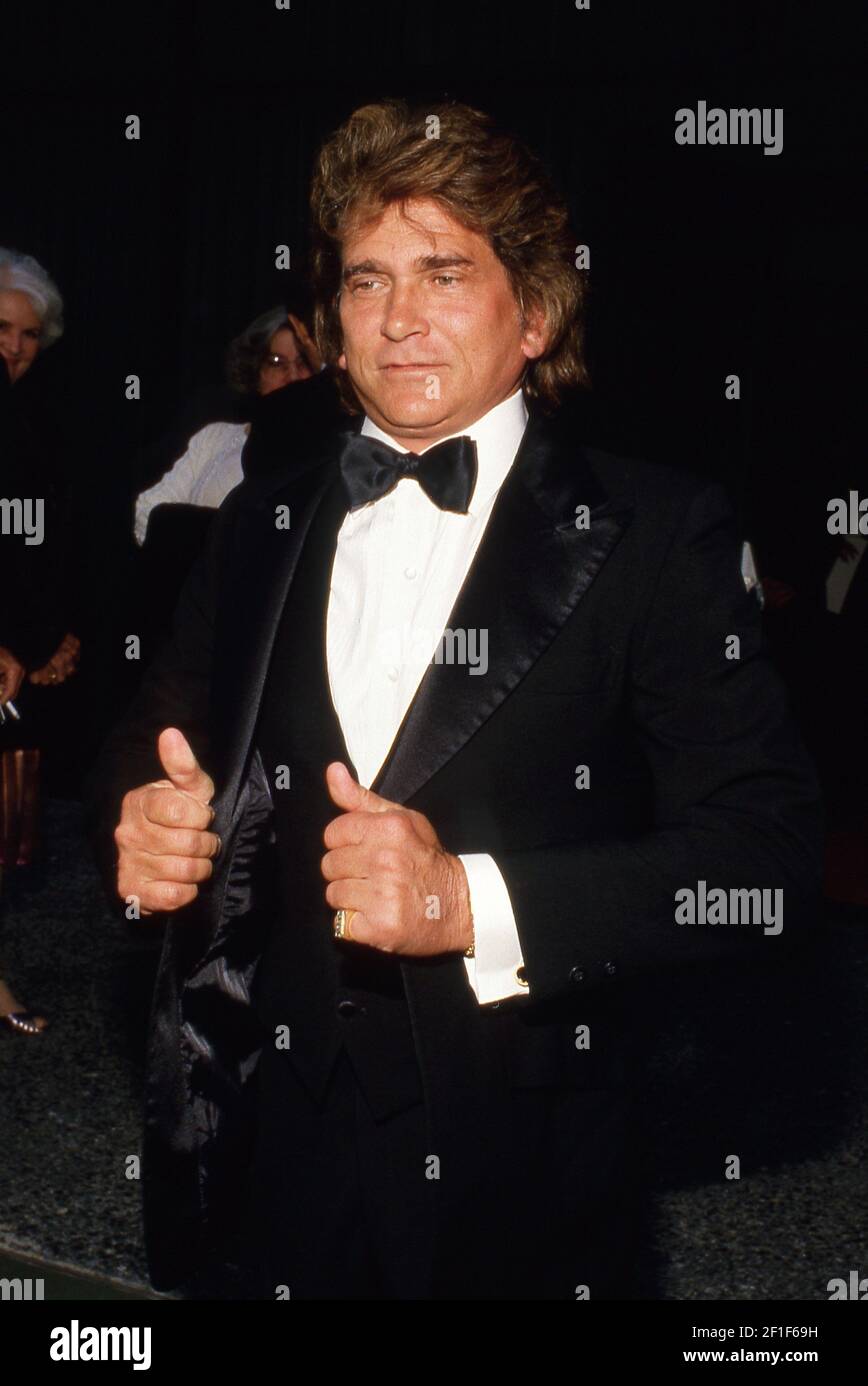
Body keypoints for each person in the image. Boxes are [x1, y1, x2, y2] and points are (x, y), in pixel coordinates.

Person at [86, 99, 823, 1299]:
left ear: (534, 310)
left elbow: (770, 862)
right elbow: (154, 731)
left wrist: (466, 898)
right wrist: (141, 818)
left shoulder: (657, 532)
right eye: (367, 282)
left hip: (523, 1163)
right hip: (265, 1128)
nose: (398, 319)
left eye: (443, 273)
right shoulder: (266, 512)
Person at [0, 247, 81, 1035]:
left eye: (27, 335)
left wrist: (58, 634)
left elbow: (48, 544)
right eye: (0, 329)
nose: (13, 347)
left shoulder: (36, 421)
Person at [133, 306, 319, 546]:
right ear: (256, 372)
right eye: (276, 363)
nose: (292, 376)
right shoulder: (215, 437)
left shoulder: (323, 452)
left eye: (303, 362)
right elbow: (147, 511)